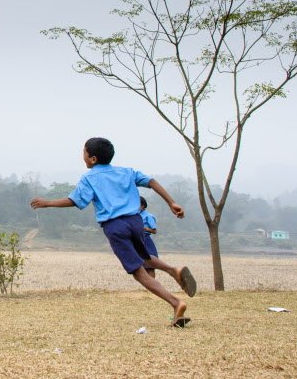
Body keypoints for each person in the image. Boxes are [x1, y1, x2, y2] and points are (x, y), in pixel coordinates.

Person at [30, 137, 197, 327]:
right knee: (143, 257)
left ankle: (176, 303)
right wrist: (171, 202)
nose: (82, 155)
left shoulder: (89, 178)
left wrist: (48, 203)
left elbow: (74, 201)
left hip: (115, 227)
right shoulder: (126, 171)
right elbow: (151, 182)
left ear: (92, 158)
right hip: (135, 221)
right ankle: (173, 270)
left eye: (84, 152)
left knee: (138, 272)